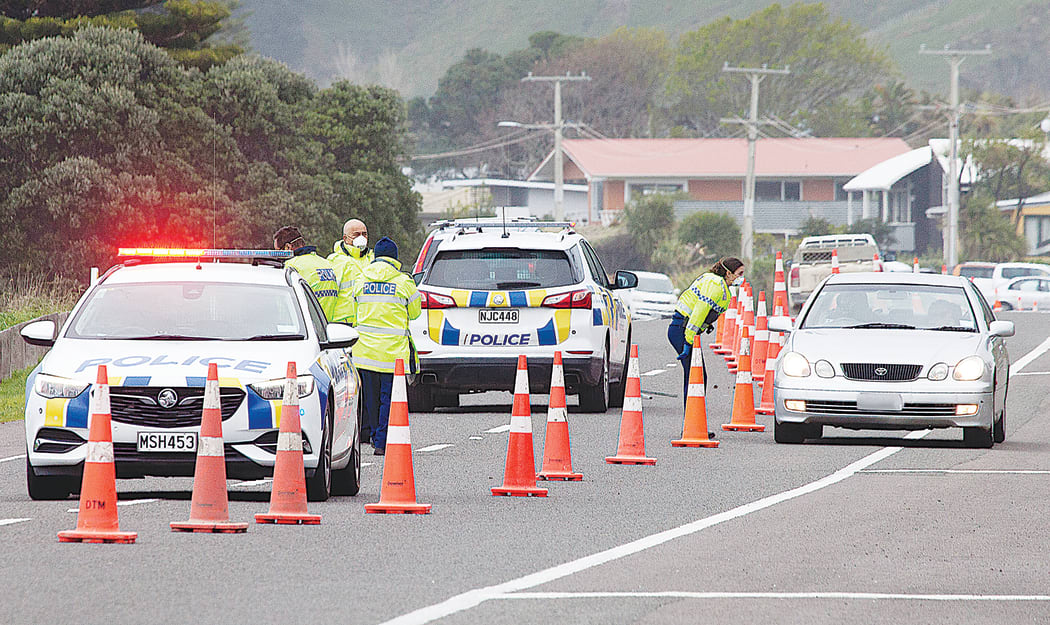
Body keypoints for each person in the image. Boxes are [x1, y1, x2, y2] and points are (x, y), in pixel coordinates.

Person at [349, 237, 421, 454]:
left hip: (365, 353)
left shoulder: (360, 280)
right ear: (395, 258)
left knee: (370, 399)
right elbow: (416, 313)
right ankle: (381, 441)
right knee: (388, 399)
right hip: (393, 355)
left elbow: (354, 315)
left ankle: (372, 434)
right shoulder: (404, 282)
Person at [668, 257, 744, 407]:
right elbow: (698, 313)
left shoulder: (719, 284)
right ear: (728, 273)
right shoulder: (716, 285)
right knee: (696, 377)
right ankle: (692, 425)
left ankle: (693, 423)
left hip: (684, 330)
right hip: (682, 330)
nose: (741, 277)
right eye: (739, 273)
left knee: (696, 376)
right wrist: (689, 341)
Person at [273, 226, 339, 320]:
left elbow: (283, 306)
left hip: (304, 328)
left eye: (277, 251)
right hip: (328, 327)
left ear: (288, 247)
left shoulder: (290, 266)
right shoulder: (325, 263)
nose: (277, 256)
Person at [327, 219, 373, 325]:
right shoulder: (336, 261)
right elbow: (329, 296)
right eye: (356, 235)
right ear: (345, 238)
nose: (361, 238)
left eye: (364, 234)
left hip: (366, 322)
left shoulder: (372, 258)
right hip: (343, 322)